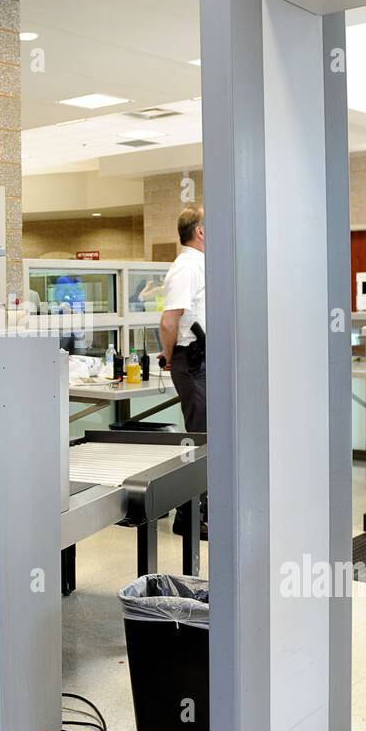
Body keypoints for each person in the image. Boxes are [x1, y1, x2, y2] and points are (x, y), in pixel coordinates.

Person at [160, 207, 207, 537]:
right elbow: (169, 320)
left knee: (210, 436)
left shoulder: (201, 264)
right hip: (190, 358)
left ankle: (202, 509)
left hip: (204, 358)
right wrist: (168, 352)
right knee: (202, 438)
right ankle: (187, 515)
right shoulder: (187, 266)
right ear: (200, 231)